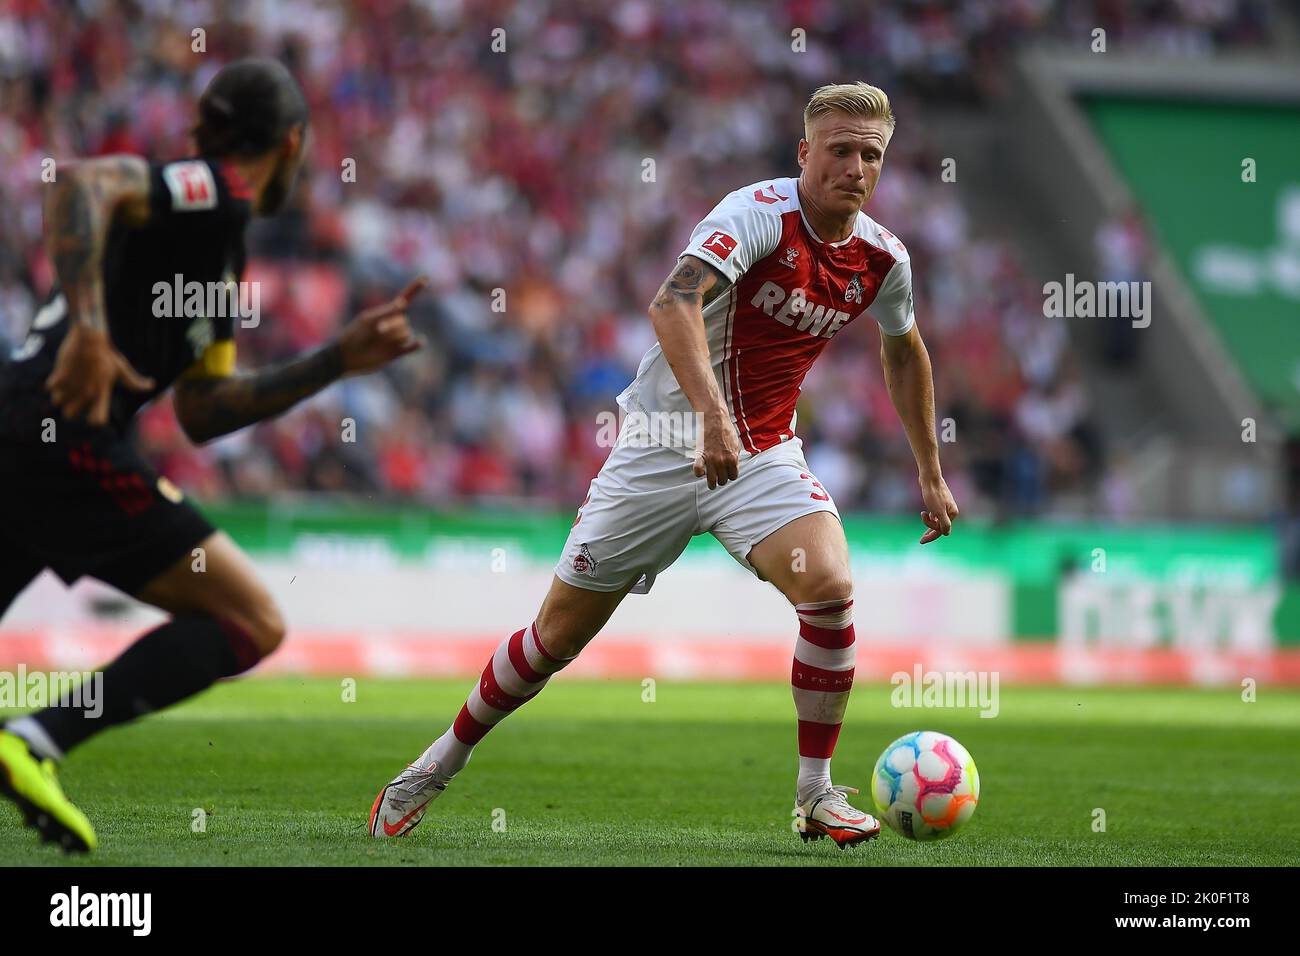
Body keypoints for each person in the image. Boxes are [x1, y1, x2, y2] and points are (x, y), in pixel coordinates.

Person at [369, 81, 959, 849]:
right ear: (805, 152)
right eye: (839, 148)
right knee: (554, 640)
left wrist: (931, 470)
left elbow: (904, 348)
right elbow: (671, 304)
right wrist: (711, 418)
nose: (854, 165)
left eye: (869, 154)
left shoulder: (883, 258)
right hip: (660, 445)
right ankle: (435, 764)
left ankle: (815, 793)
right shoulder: (755, 214)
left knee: (831, 586)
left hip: (763, 453)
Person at [0, 57, 427, 853]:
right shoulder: (210, 190)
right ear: (292, 144)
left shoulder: (220, 254)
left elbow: (203, 410)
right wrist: (91, 331)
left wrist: (336, 359)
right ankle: (34, 738)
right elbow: (81, 185)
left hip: (22, 440)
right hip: (61, 435)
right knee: (248, 619)